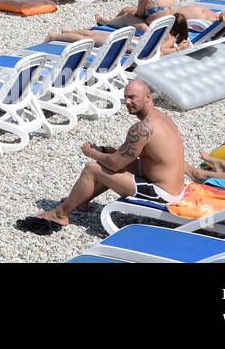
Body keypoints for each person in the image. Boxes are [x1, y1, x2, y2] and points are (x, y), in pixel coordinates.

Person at [16, 79, 185, 234]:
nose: (127, 102)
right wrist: (104, 150)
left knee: (93, 169)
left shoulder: (142, 129)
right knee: (112, 160)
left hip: (163, 194)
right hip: (173, 186)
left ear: (148, 97)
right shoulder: (161, 118)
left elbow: (115, 164)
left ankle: (60, 214)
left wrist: (92, 152)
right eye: (125, 97)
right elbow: (127, 153)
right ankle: (81, 200)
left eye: (132, 97)